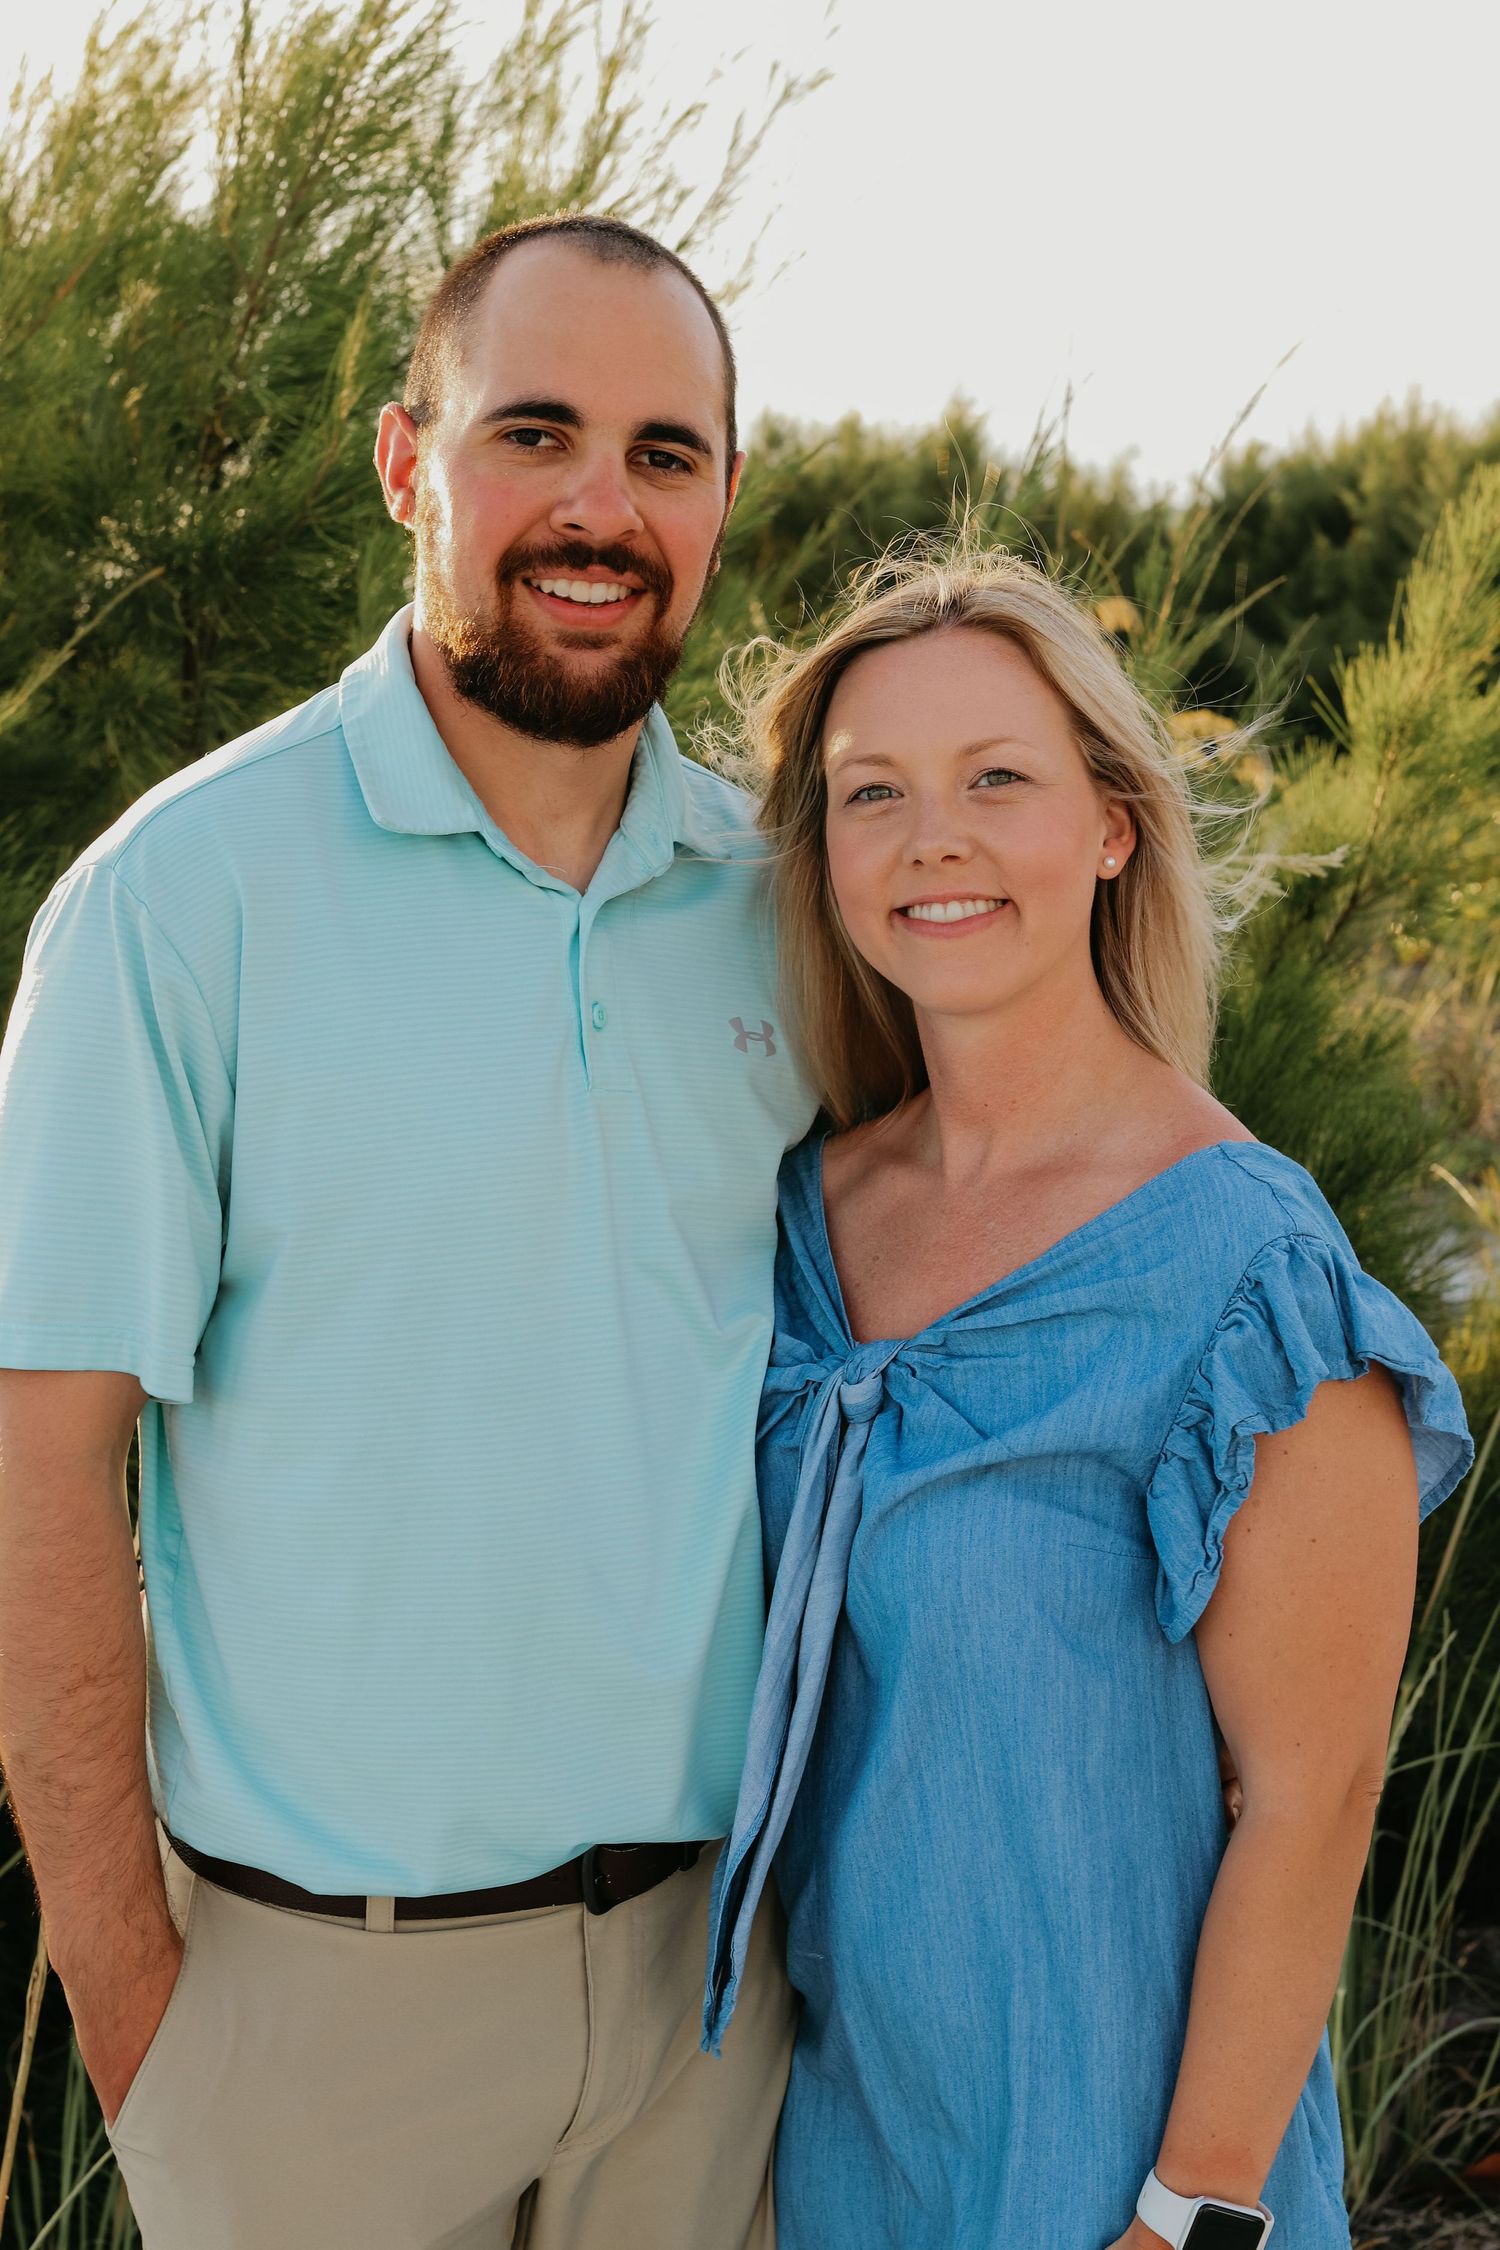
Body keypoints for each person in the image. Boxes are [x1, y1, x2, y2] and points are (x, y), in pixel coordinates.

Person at [0, 214, 817, 2250]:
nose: (599, 508)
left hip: (715, 1997)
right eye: (532, 433)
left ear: (722, 495)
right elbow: (39, 1467)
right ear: (403, 463)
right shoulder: (182, 900)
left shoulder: (792, 909)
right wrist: (144, 2025)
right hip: (317, 2027)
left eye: (661, 452)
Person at [702, 547, 1474, 2249]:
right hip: (836, 2163)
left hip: (1116, 2179)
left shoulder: (1247, 1268)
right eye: (874, 791)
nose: (935, 838)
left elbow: (1317, 1796)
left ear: (1114, 824)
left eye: (999, 779)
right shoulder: (802, 1218)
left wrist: (1187, 2214)